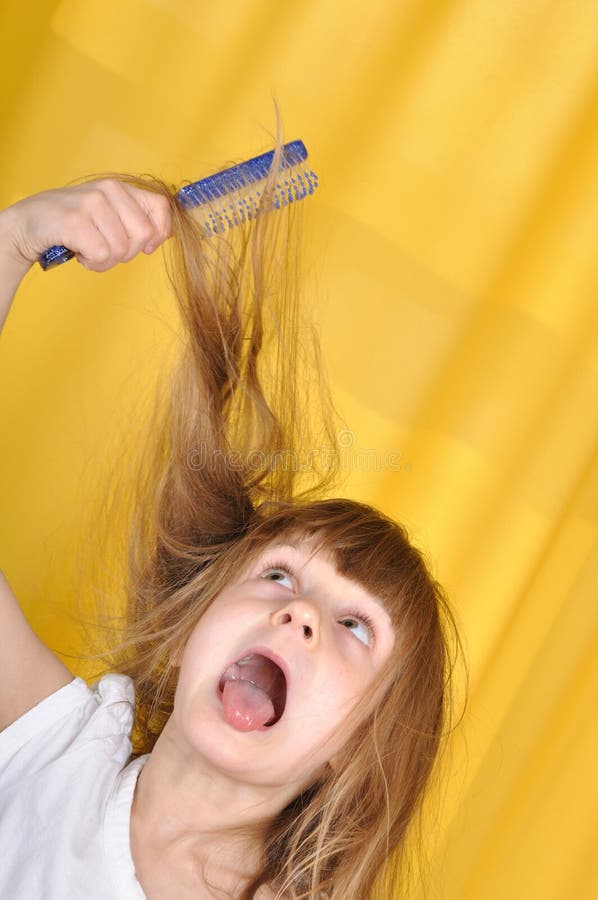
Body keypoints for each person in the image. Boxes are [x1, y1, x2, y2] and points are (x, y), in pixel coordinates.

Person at [0, 131, 465, 899]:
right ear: (190, 629)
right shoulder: (52, 750)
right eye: (279, 575)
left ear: (358, 747)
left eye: (356, 627)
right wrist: (16, 237)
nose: (301, 616)